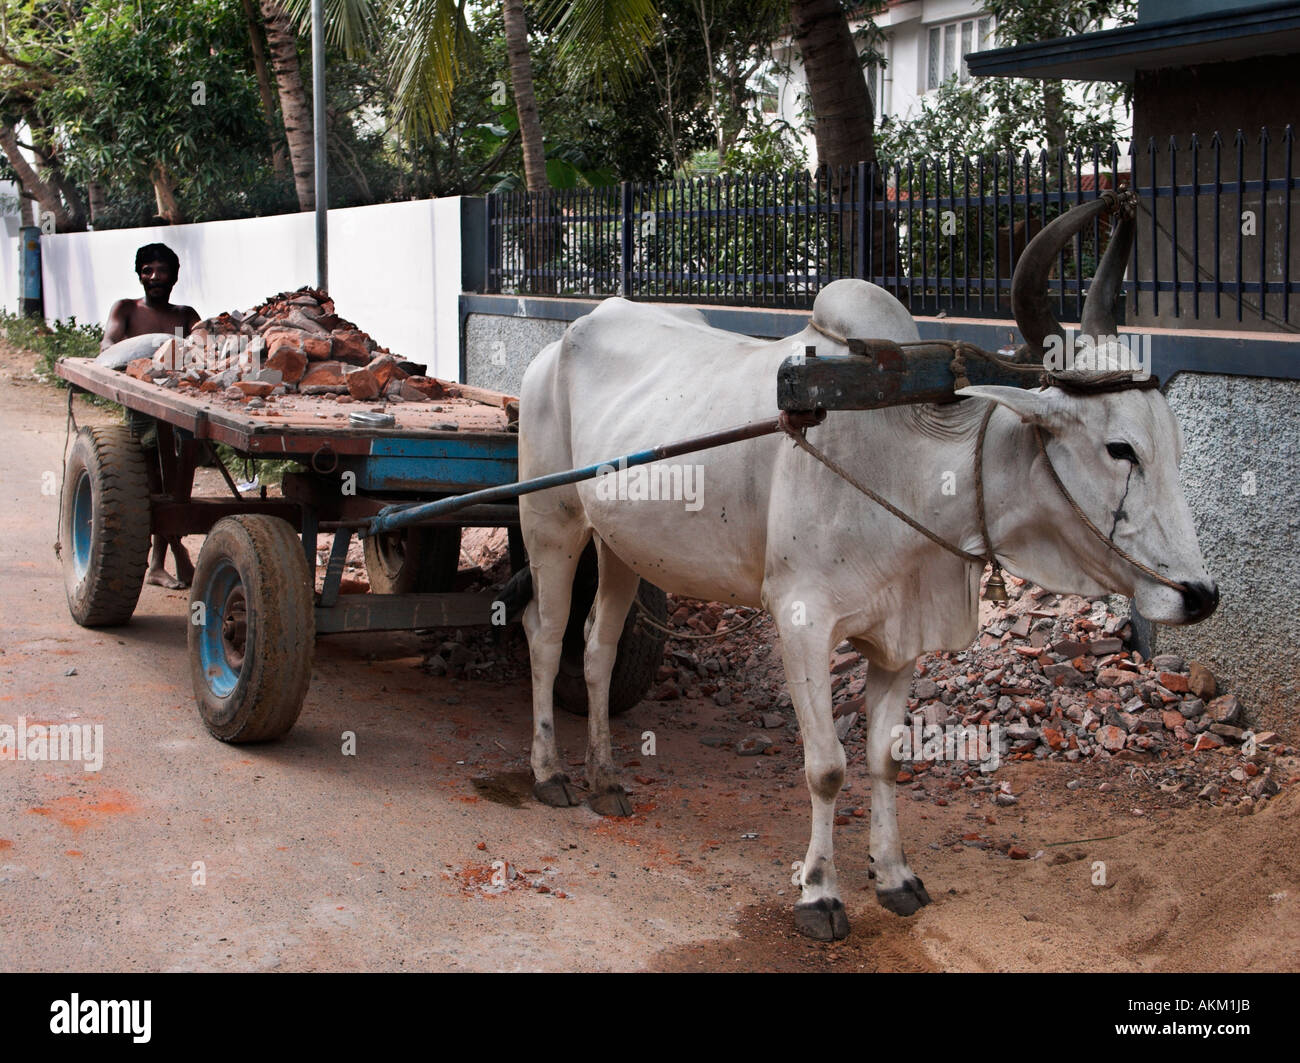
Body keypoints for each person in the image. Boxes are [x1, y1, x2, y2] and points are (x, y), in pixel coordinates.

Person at [102, 243, 201, 589]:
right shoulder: (127, 309)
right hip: (142, 409)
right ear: (139, 275)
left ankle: (160, 562)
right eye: (148, 270)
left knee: (175, 484)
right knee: (150, 481)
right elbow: (109, 346)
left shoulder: (185, 316)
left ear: (174, 276)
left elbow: (202, 352)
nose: (155, 277)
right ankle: (171, 556)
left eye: (162, 271)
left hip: (178, 408)